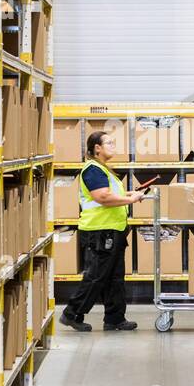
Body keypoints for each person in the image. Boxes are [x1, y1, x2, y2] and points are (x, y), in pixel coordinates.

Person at [61, 130, 148, 332]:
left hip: (113, 231)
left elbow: (111, 194)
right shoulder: (93, 169)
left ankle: (115, 318)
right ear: (97, 148)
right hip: (100, 232)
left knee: (115, 278)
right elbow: (102, 198)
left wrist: (129, 194)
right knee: (96, 277)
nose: (113, 145)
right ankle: (72, 314)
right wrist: (130, 200)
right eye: (109, 143)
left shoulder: (104, 170)